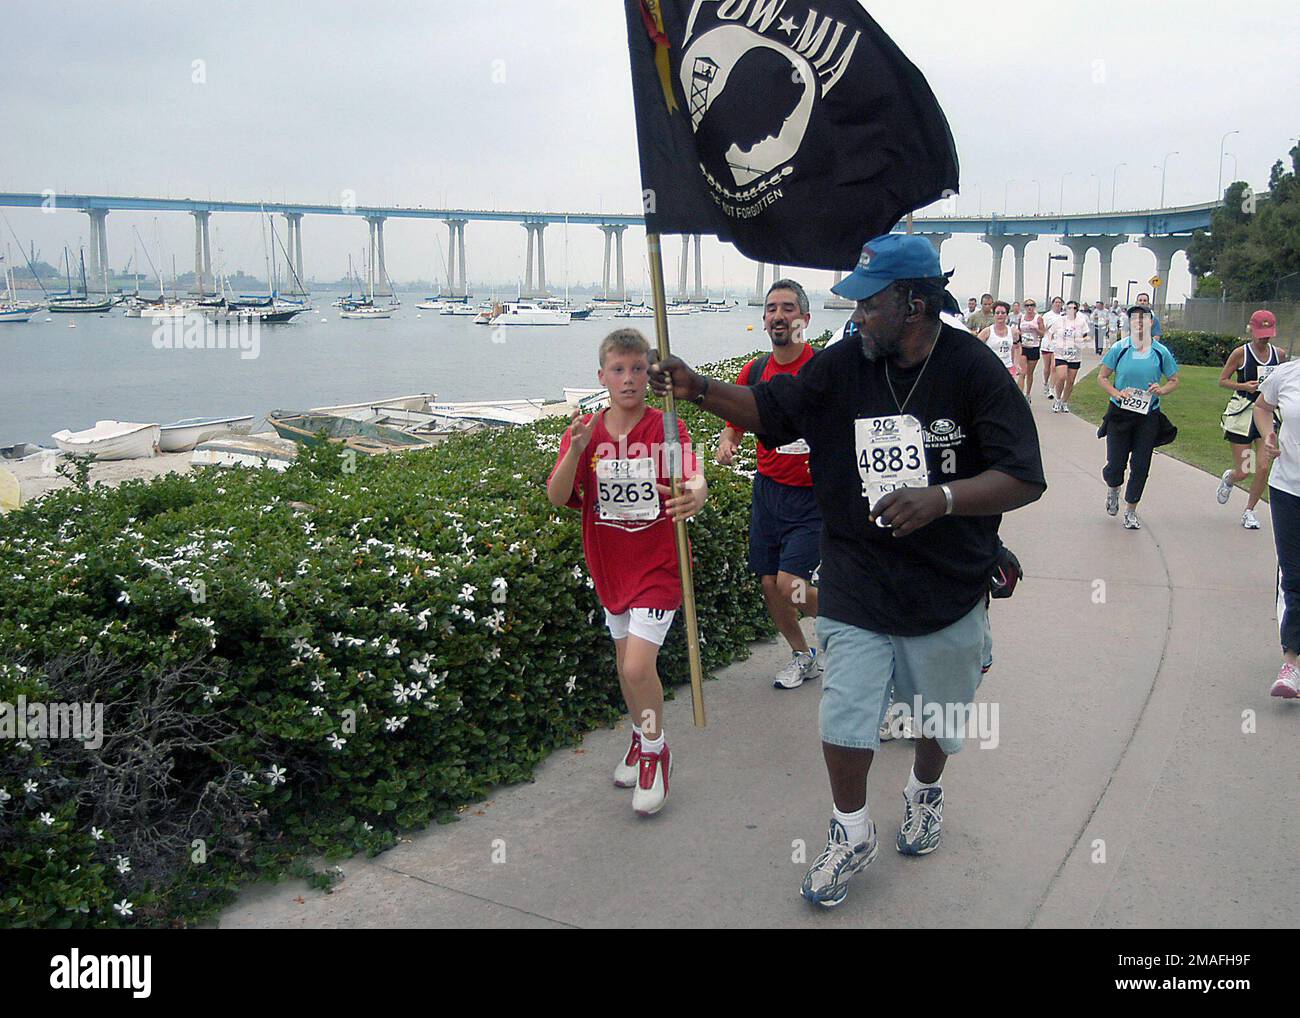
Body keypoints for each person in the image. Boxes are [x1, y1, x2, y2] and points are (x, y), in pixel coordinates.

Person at [649, 233, 1046, 908]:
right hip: (858, 575)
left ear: (914, 302)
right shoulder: (843, 364)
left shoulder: (974, 371)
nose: (856, 316)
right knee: (846, 714)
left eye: (869, 303)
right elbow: (775, 413)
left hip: (948, 584)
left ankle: (925, 792)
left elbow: (1022, 476)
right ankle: (851, 831)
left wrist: (943, 499)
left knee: (937, 722)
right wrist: (696, 387)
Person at [546, 328, 707, 816]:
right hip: (610, 566)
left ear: (650, 375)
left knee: (639, 666)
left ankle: (657, 751)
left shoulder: (665, 427)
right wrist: (575, 451)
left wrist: (696, 492)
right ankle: (639, 737)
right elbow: (558, 497)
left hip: (658, 565)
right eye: (619, 369)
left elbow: (694, 477)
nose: (629, 379)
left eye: (638, 369)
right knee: (624, 669)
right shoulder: (586, 432)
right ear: (602, 376)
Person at [717, 279, 824, 689]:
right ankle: (802, 655)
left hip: (813, 497)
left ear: (805, 319)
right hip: (768, 493)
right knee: (769, 585)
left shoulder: (821, 370)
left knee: (790, 585)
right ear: (764, 320)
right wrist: (727, 444)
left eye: (789, 308)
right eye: (772, 309)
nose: (779, 316)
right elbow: (736, 423)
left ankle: (848, 618)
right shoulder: (756, 370)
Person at [1096, 306, 1181, 529]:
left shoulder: (1160, 351)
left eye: (1144, 319)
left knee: (1141, 464)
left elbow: (1174, 379)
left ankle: (1131, 509)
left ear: (1152, 323)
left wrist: (1162, 389)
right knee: (1116, 464)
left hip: (1148, 414)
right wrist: (1117, 393)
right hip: (1120, 412)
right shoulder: (1119, 348)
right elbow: (1102, 377)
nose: (1139, 323)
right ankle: (1113, 488)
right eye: (1135, 319)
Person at [1251, 353, 1300, 698]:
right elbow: (1262, 407)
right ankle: (1291, 663)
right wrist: (1268, 435)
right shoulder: (1287, 375)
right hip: (1289, 488)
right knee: (1295, 575)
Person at [1216, 309, 1287, 529]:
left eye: (1268, 332)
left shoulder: (1280, 355)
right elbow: (1223, 380)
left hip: (1266, 414)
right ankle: (1231, 477)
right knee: (1245, 469)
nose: (1264, 337)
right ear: (1251, 330)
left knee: (1264, 465)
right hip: (1243, 412)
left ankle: (1250, 510)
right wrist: (1243, 386)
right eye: (1261, 332)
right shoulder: (1240, 353)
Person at [1047, 300, 1088, 413]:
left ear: (1077, 310)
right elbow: (1050, 333)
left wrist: (1080, 341)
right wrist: (1053, 344)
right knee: (1061, 377)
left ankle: (1064, 402)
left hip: (1075, 355)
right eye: (1069, 308)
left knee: (1070, 381)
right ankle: (1058, 399)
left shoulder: (1081, 322)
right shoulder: (1060, 321)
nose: (1071, 310)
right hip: (1061, 354)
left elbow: (1086, 336)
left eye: (1074, 308)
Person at [978, 300, 1021, 380]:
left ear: (1007, 315)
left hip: (1008, 368)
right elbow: (976, 348)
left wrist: (1016, 364)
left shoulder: (1013, 332)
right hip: (991, 368)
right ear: (994, 315)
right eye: (997, 313)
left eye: (1003, 313)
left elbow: (1017, 347)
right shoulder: (987, 332)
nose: (1000, 315)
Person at [1016, 299, 1045, 402]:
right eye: (1027, 305)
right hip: (1023, 347)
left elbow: (1042, 334)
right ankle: (1019, 396)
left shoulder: (1038, 318)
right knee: (1022, 372)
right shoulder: (1021, 317)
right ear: (1025, 307)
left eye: (1031, 305)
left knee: (1029, 373)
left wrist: (1035, 329)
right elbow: (1019, 331)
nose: (1029, 307)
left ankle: (1028, 394)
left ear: (1034, 307)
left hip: (1034, 347)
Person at [1040, 296, 1065, 400]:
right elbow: (1043, 329)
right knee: (1047, 367)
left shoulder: (1064, 316)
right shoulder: (1047, 315)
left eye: (1060, 302)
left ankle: (1051, 388)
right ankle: (1045, 383)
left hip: (1058, 345)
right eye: (1056, 302)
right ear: (1052, 304)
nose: (1058, 304)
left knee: (1054, 367)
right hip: (1047, 343)